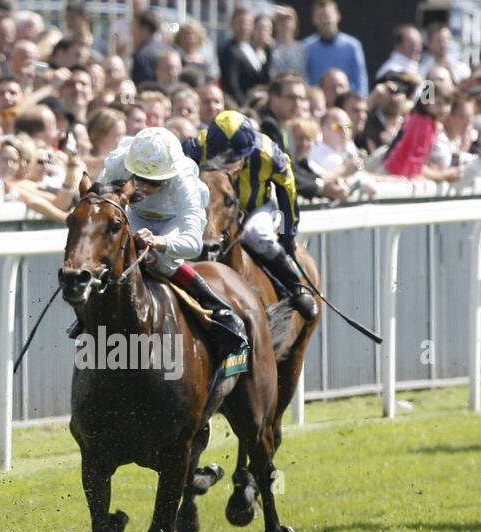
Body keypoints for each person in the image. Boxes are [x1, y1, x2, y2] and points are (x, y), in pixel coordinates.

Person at [84, 126, 247, 355]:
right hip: (136, 213)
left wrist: (159, 241)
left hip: (172, 220)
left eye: (157, 182)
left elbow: (192, 244)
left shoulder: (183, 182)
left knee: (159, 258)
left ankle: (217, 307)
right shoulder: (118, 164)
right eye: (141, 180)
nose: (147, 188)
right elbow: (100, 205)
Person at [184, 110, 317, 320]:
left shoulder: (269, 154)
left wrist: (288, 235)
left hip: (254, 207)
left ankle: (295, 285)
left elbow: (287, 191)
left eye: (236, 158)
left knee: (256, 234)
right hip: (212, 208)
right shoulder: (195, 147)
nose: (230, 164)